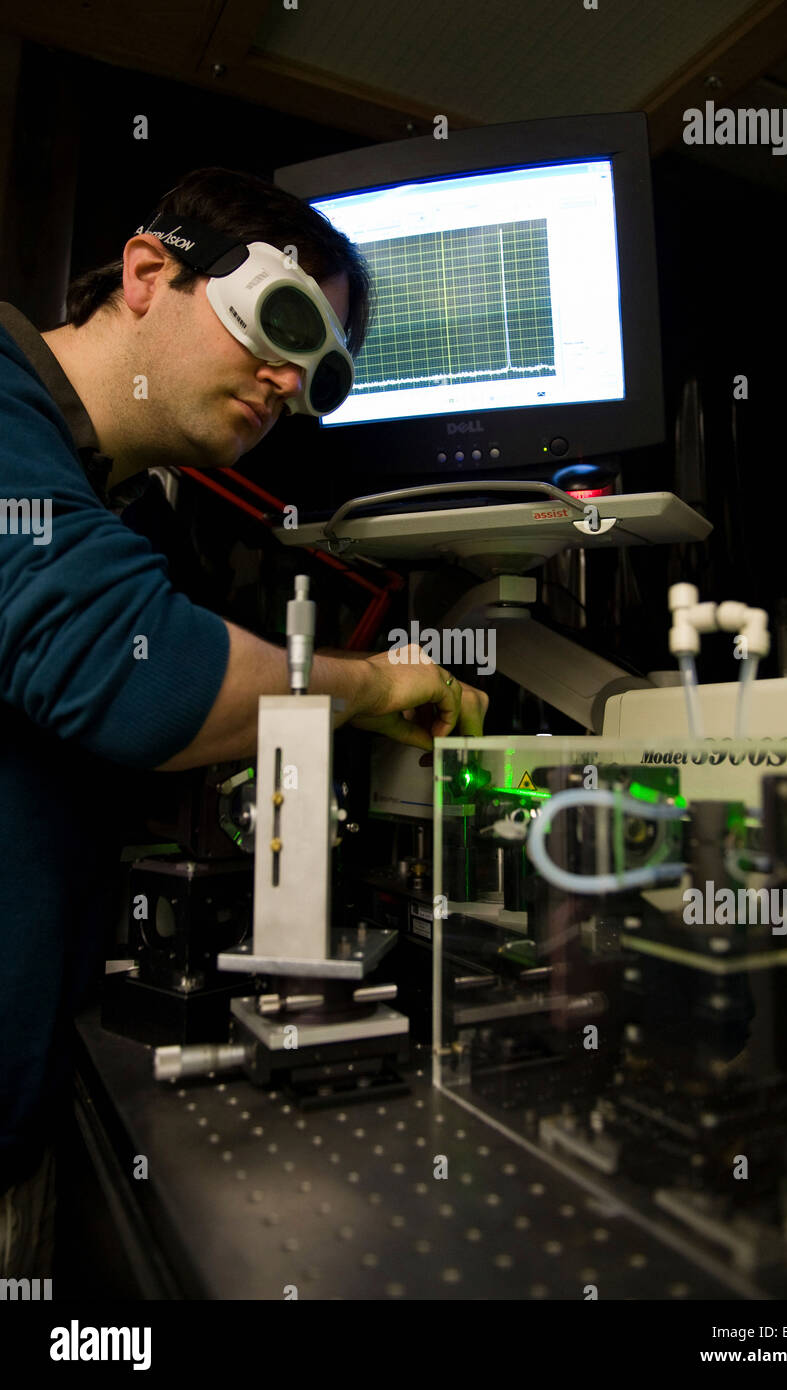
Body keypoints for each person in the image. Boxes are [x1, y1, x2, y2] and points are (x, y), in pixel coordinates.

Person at [0, 166, 489, 1276]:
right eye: (281, 320)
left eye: (319, 372)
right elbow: (140, 676)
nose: (283, 381)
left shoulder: (110, 508)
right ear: (146, 271)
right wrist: (376, 683)